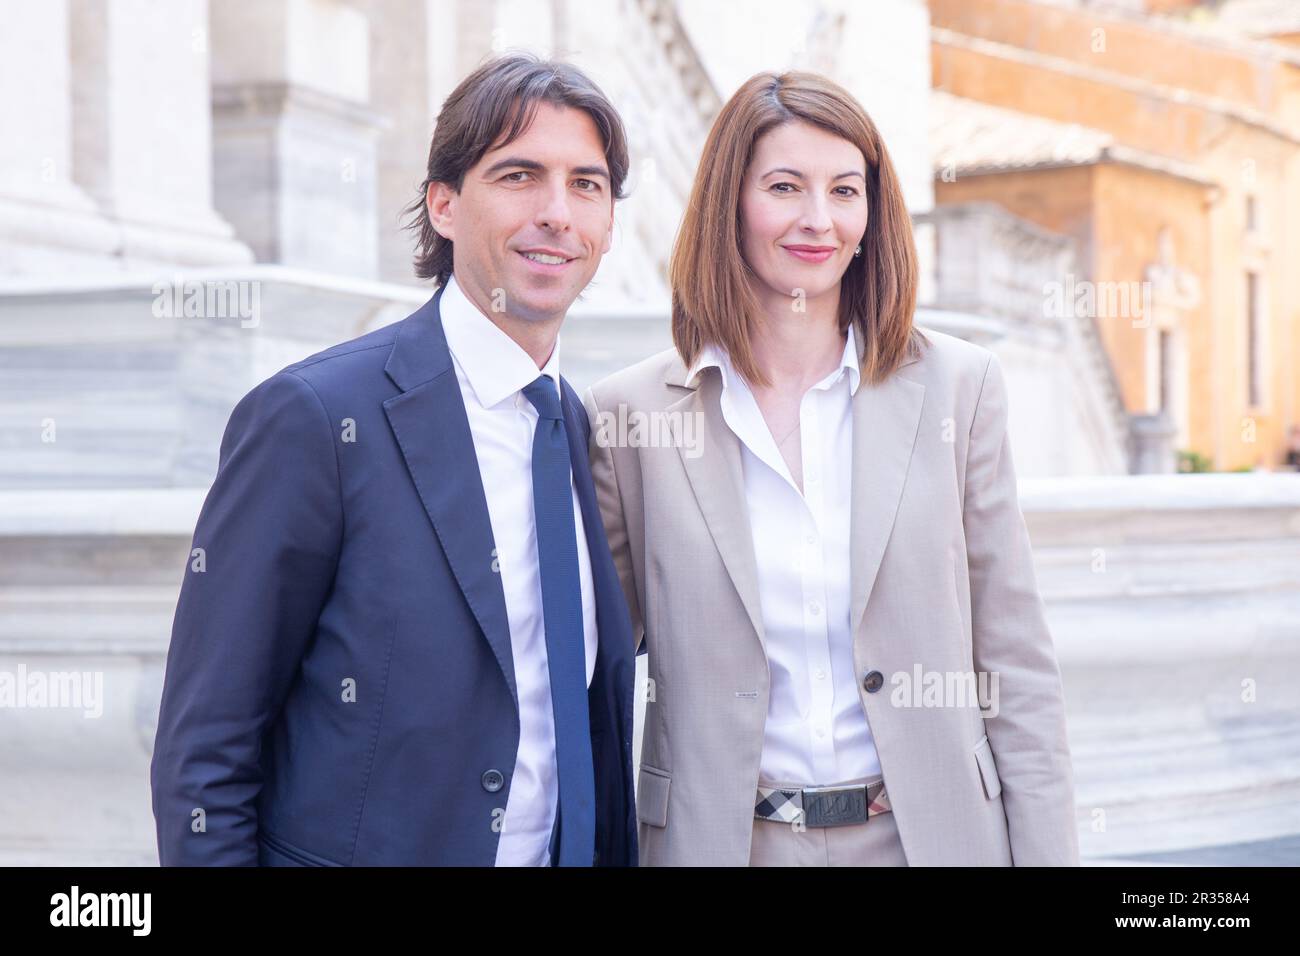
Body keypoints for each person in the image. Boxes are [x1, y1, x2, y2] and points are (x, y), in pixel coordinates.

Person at [150, 53, 638, 866]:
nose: (558, 212)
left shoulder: (579, 426)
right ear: (443, 205)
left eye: (586, 184)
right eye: (519, 175)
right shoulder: (315, 418)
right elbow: (206, 749)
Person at [584, 71, 1079, 866]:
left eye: (846, 190)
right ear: (729, 204)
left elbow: (1016, 661)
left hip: (931, 842)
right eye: (785, 187)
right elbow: (589, 669)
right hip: (723, 845)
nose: (820, 220)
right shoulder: (628, 415)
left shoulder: (960, 387)